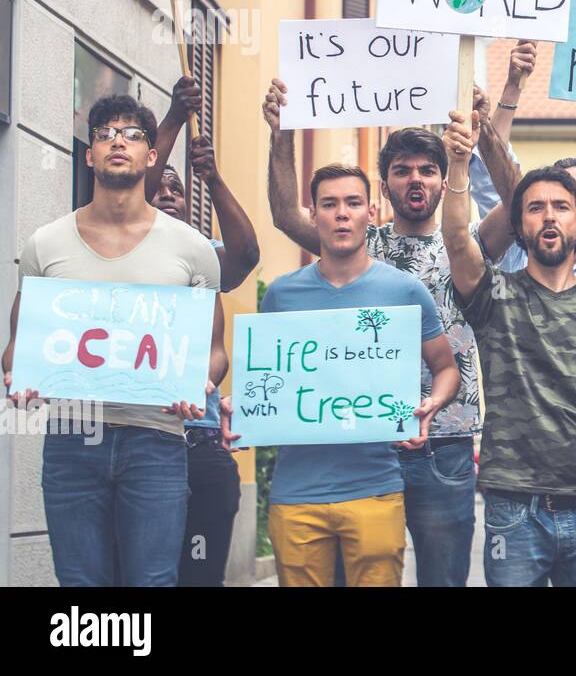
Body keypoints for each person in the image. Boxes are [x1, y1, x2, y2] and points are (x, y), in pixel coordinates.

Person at [262, 78, 518, 587]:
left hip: (444, 444)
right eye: (402, 172)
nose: (415, 180)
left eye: (427, 170)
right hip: (361, 445)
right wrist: (282, 133)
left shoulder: (468, 243)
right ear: (385, 187)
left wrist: (484, 131)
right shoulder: (354, 237)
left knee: (441, 581)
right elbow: (286, 214)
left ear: (445, 182)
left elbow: (518, 203)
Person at [2, 95, 226, 586]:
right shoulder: (45, 244)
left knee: (152, 581)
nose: (117, 140)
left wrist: (202, 384)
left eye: (132, 134)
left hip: (157, 438)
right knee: (81, 583)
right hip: (70, 438)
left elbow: (213, 350)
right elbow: (19, 345)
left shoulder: (192, 249)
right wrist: (18, 377)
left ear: (151, 155)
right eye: (104, 133)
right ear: (89, 154)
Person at [227, 164, 459, 587]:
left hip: (376, 488)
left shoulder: (404, 292)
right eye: (329, 204)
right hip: (295, 495)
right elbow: (268, 380)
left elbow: (446, 368)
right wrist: (238, 406)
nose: (341, 214)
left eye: (352, 203)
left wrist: (431, 404)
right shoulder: (282, 294)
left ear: (371, 211)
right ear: (312, 214)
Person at [442, 109, 576, 587]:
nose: (549, 215)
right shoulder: (491, 295)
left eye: (562, 206)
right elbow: (454, 238)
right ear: (519, 225)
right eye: (535, 207)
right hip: (513, 509)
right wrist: (460, 165)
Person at [153, 155, 258, 587]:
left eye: (176, 188)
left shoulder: (203, 256)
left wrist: (212, 177)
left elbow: (246, 254)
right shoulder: (107, 254)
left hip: (200, 442)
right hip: (139, 440)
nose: (167, 195)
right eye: (156, 185)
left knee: (199, 575)